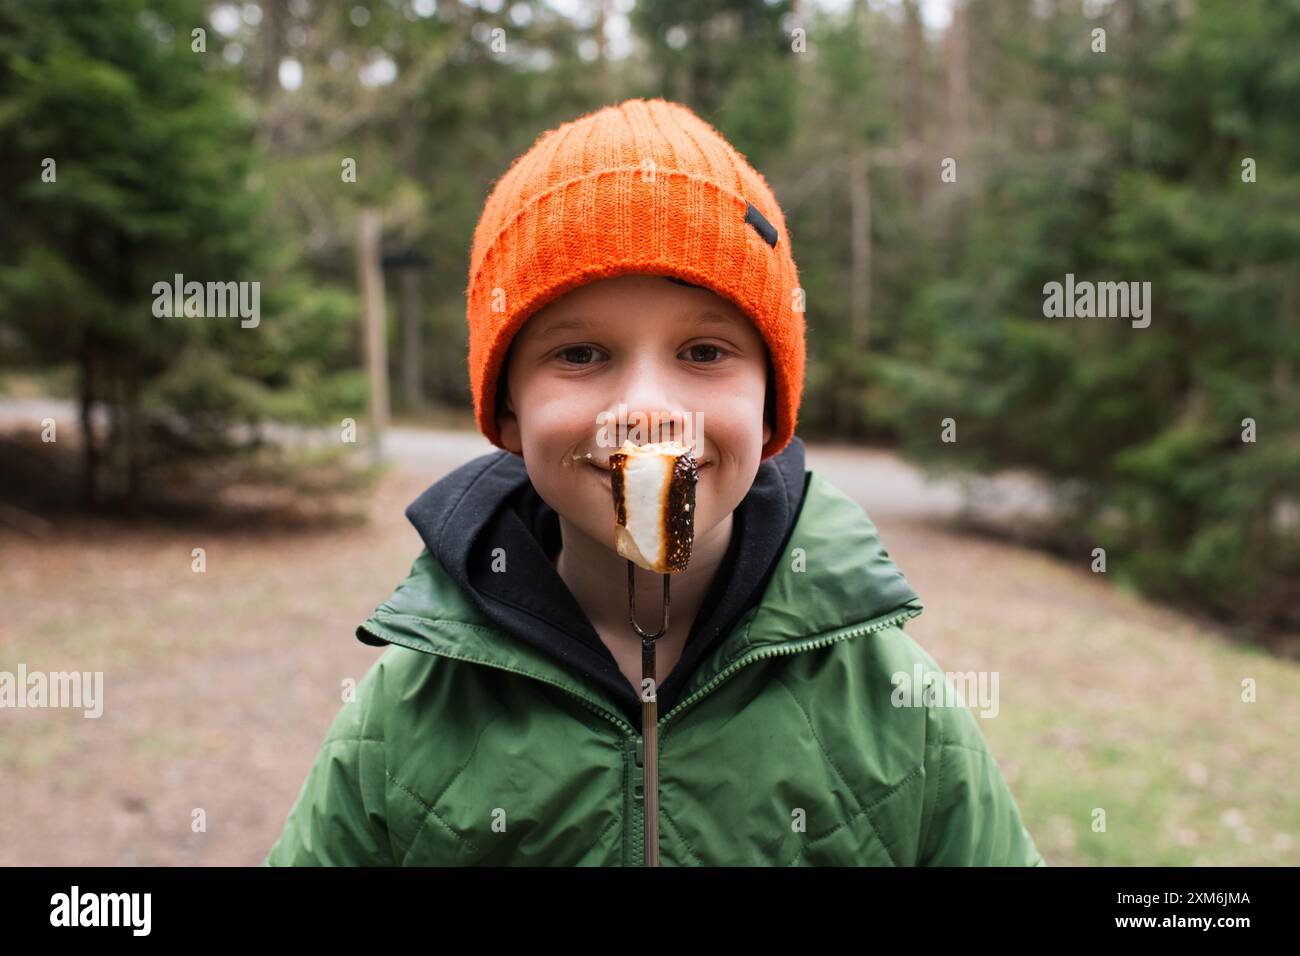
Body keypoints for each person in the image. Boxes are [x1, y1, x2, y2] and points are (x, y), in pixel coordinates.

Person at [264, 98, 1045, 866]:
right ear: (507, 411)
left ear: (770, 405)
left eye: (704, 353)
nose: (646, 412)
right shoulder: (406, 714)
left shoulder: (892, 703)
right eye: (580, 354)